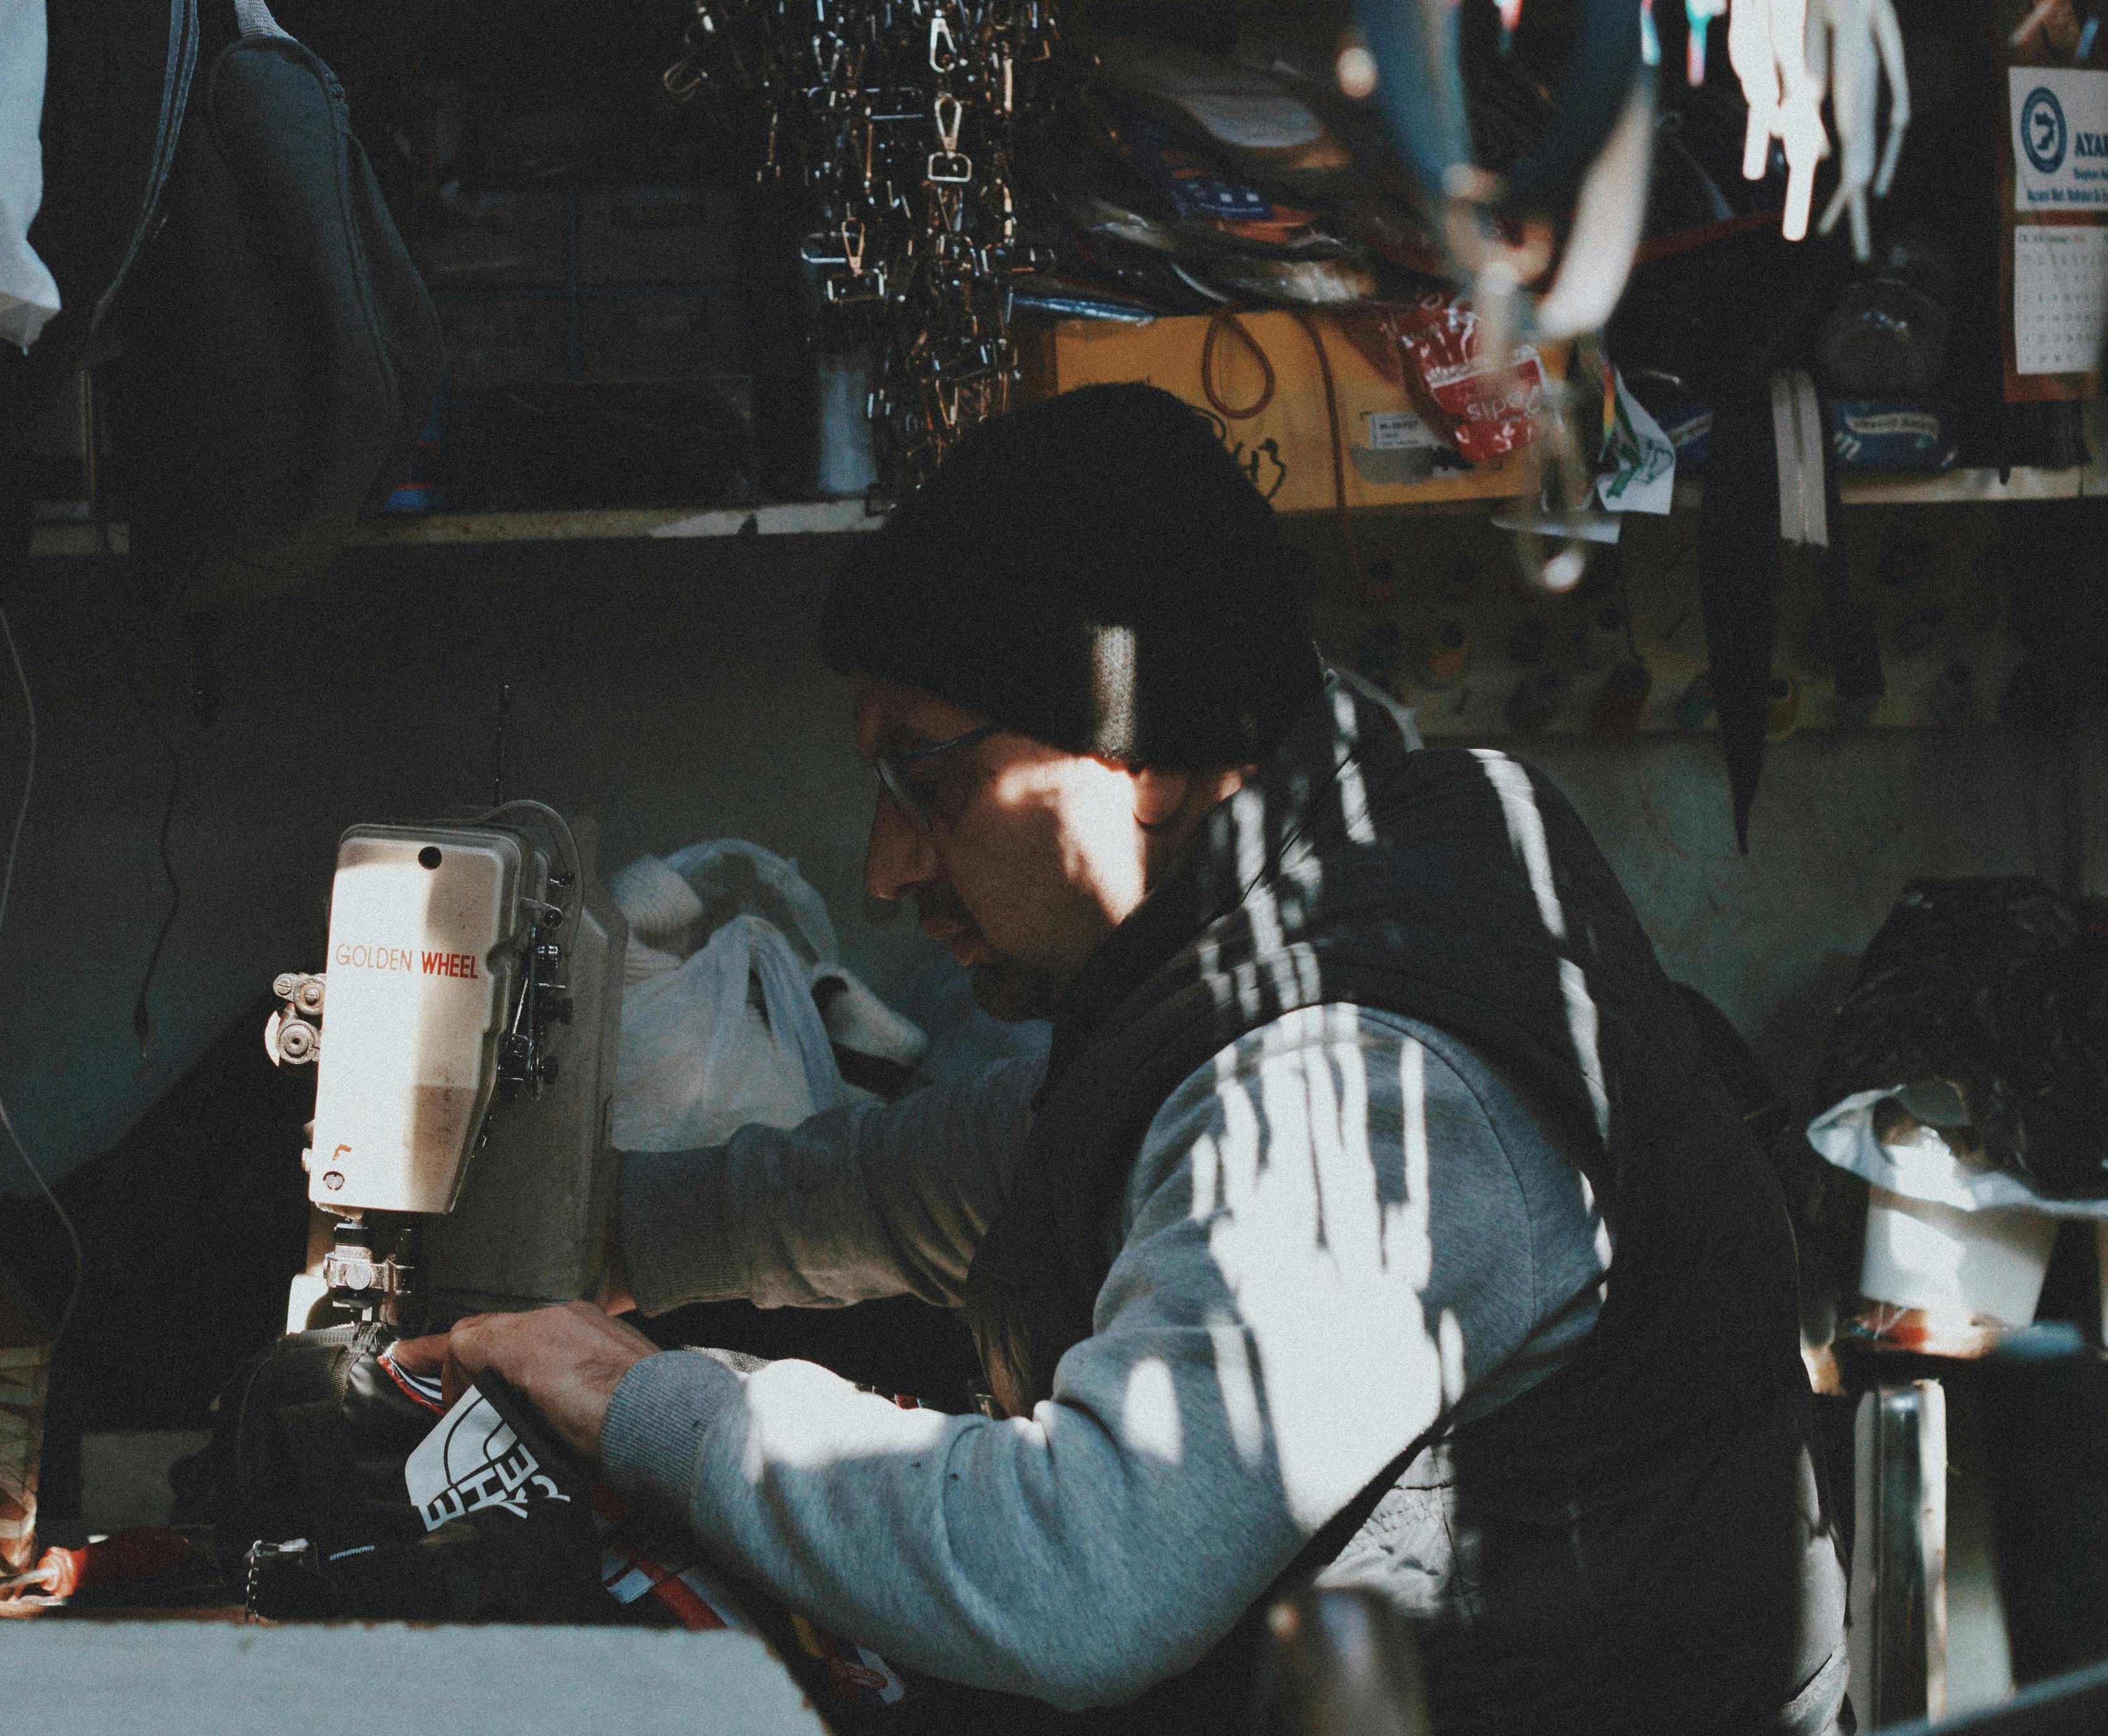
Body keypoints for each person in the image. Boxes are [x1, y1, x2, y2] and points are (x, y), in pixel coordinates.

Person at [400, 383, 1847, 1732]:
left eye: (928, 779)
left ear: (1140, 746)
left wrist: (652, 1401)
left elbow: (1079, 1571)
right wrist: (595, 1239)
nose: (886, 863)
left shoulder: (1364, 1087)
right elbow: (1026, 1160)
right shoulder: (1315, 874)